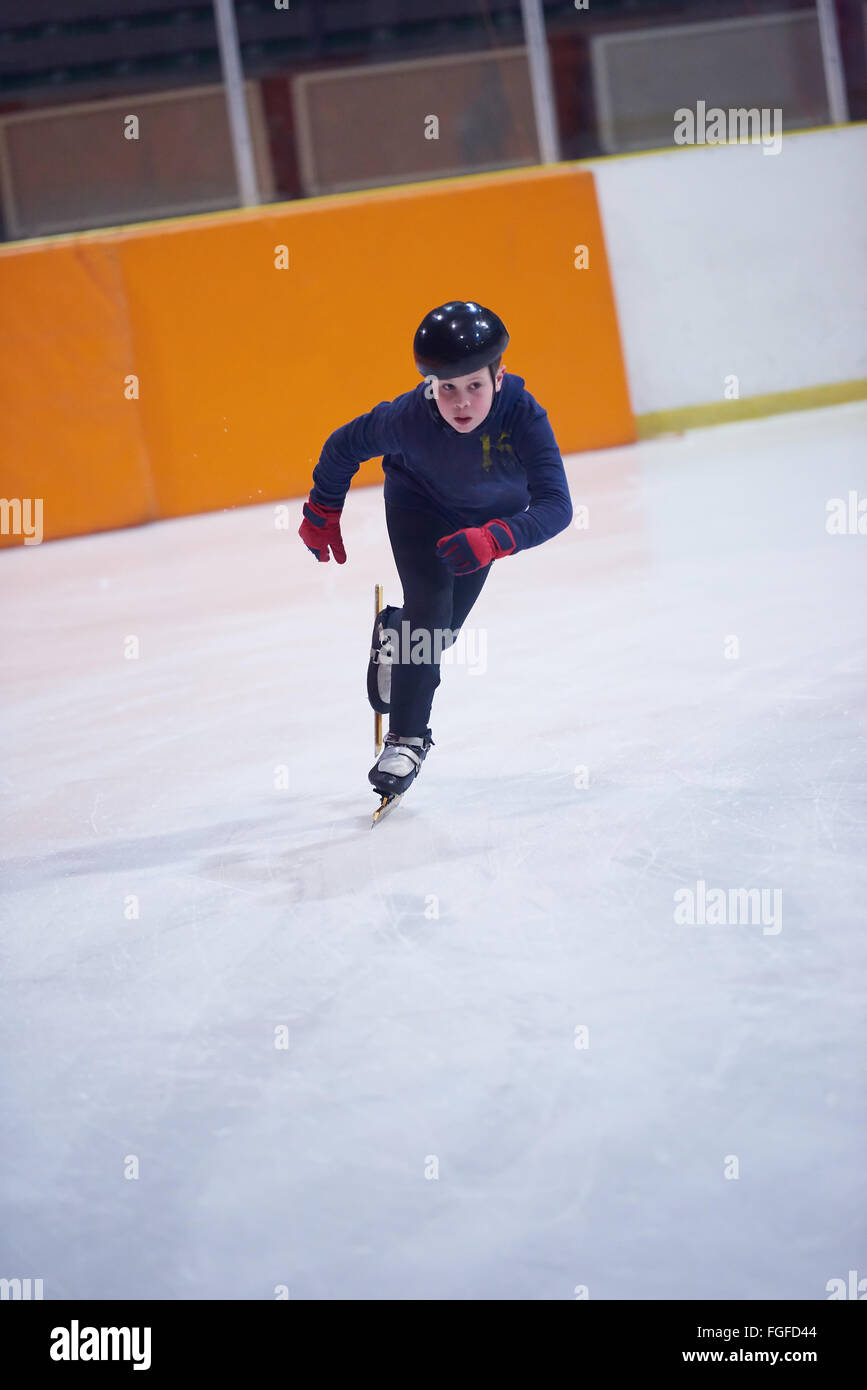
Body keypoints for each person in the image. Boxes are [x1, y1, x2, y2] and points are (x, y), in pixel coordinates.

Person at [298, 300, 573, 800]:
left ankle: (393, 633)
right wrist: (322, 509)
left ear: (499, 375)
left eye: (474, 385)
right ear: (430, 384)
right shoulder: (408, 418)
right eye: (447, 388)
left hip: (483, 527)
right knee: (429, 610)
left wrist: (495, 539)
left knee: (434, 637)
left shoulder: (525, 419)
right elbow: (343, 446)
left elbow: (557, 505)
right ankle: (407, 740)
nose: (462, 402)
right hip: (419, 506)